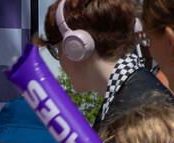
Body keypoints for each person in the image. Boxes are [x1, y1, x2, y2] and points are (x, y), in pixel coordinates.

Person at [41, 0, 174, 133]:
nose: (60, 63)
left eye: (57, 50)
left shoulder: (137, 114)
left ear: (75, 47)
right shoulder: (130, 95)